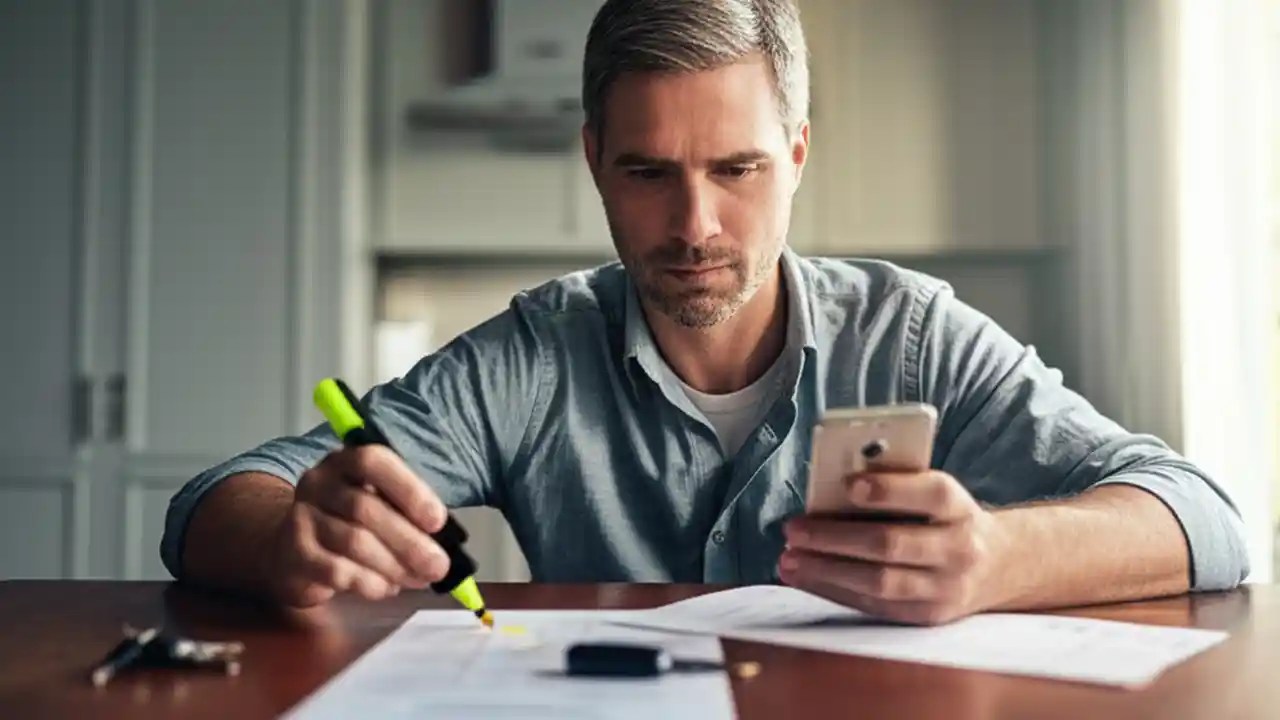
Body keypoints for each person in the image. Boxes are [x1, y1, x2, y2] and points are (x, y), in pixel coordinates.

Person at [162, 0, 1247, 624]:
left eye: (737, 168)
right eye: (647, 173)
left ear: (797, 154)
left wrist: (993, 560)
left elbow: (1204, 519)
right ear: (594, 160)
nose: (694, 225)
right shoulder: (535, 356)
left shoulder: (912, 334)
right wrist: (294, 539)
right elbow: (215, 500)